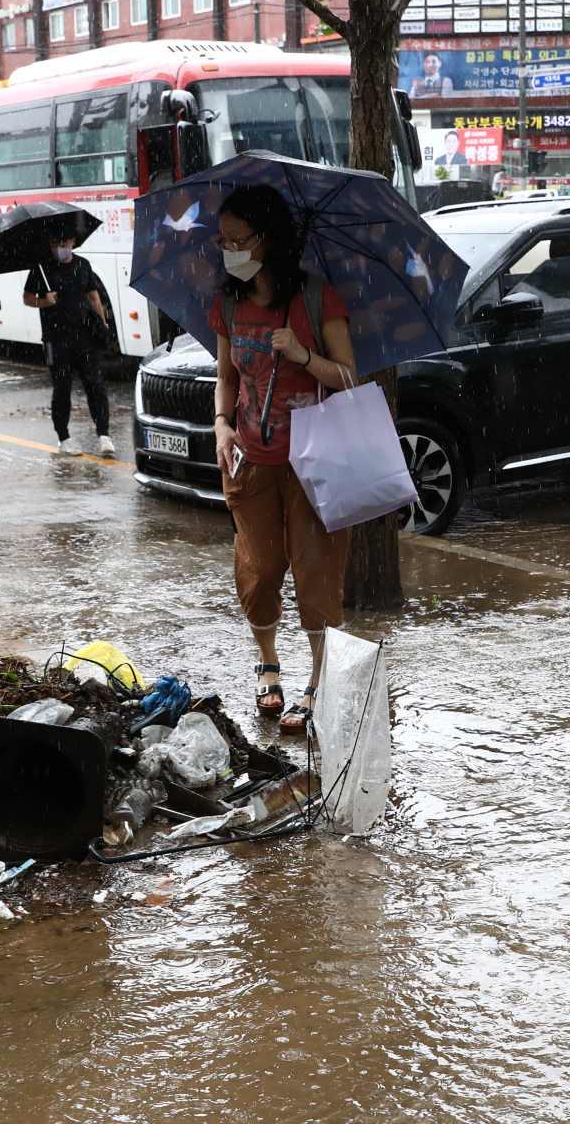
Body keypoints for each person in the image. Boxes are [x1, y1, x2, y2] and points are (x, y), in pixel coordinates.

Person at [209, 184, 358, 732]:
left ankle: (318, 679)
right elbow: (226, 377)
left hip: (314, 462)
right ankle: (268, 662)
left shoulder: (318, 299)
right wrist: (223, 425)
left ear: (266, 239)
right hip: (251, 460)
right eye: (223, 240)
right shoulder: (227, 302)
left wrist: (302, 354)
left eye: (238, 239)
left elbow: (348, 377)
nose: (228, 249)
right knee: (260, 570)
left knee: (316, 575)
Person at [22, 224, 115, 456]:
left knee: (95, 385)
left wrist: (103, 323)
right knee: (62, 389)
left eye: (64, 244)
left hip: (85, 336)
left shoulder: (83, 265)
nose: (60, 249)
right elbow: (27, 298)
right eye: (55, 245)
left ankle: (103, 435)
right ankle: (64, 437)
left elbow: (93, 295)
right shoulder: (41, 268)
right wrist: (45, 301)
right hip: (56, 339)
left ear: (73, 242)